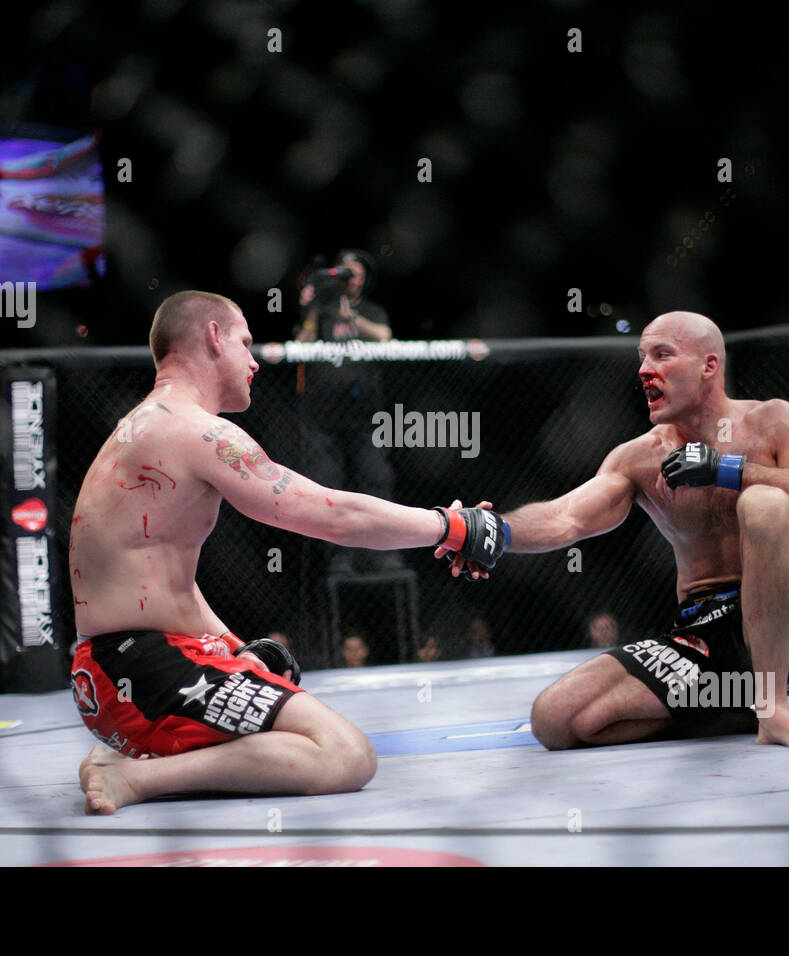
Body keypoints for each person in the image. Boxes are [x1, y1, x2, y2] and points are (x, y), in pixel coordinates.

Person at [68, 290, 502, 813]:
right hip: (142, 671)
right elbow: (334, 515)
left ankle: (136, 761)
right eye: (245, 342)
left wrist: (231, 645)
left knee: (303, 717)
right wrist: (449, 525)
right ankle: (137, 780)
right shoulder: (194, 431)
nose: (254, 361)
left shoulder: (141, 426)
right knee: (346, 755)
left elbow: (166, 577)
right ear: (212, 336)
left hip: (123, 673)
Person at [439, 311, 789, 750]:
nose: (643, 370)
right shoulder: (638, 457)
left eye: (661, 354)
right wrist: (495, 532)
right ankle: (736, 711)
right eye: (641, 357)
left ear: (708, 366)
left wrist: (728, 470)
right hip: (707, 641)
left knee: (764, 503)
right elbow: (568, 517)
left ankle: (772, 709)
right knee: (556, 718)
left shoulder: (772, 420)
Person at [294, 250, 398, 572]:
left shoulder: (371, 311)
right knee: (328, 483)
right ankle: (339, 557)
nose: (351, 280)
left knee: (376, 478)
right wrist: (313, 310)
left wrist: (348, 316)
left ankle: (383, 553)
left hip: (365, 416)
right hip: (323, 416)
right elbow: (302, 346)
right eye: (345, 274)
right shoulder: (319, 312)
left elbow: (384, 337)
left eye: (356, 275)